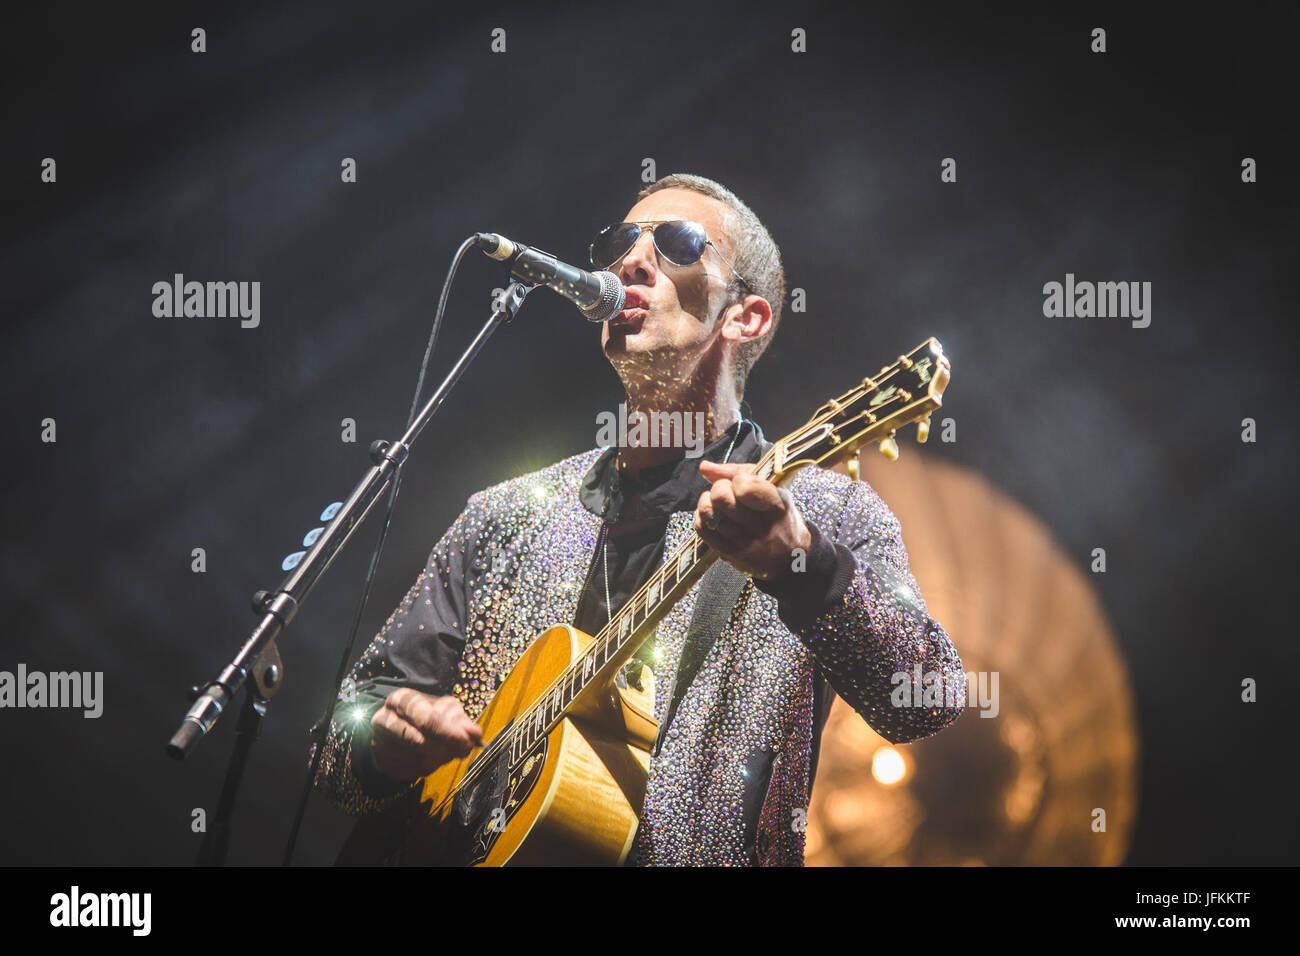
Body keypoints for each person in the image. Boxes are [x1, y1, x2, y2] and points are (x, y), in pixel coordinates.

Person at [310, 173, 966, 865]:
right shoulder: (505, 517)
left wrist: (801, 564)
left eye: (678, 243)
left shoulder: (825, 511)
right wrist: (380, 739)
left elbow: (925, 697)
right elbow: (339, 741)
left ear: (745, 317)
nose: (630, 259)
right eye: (619, 241)